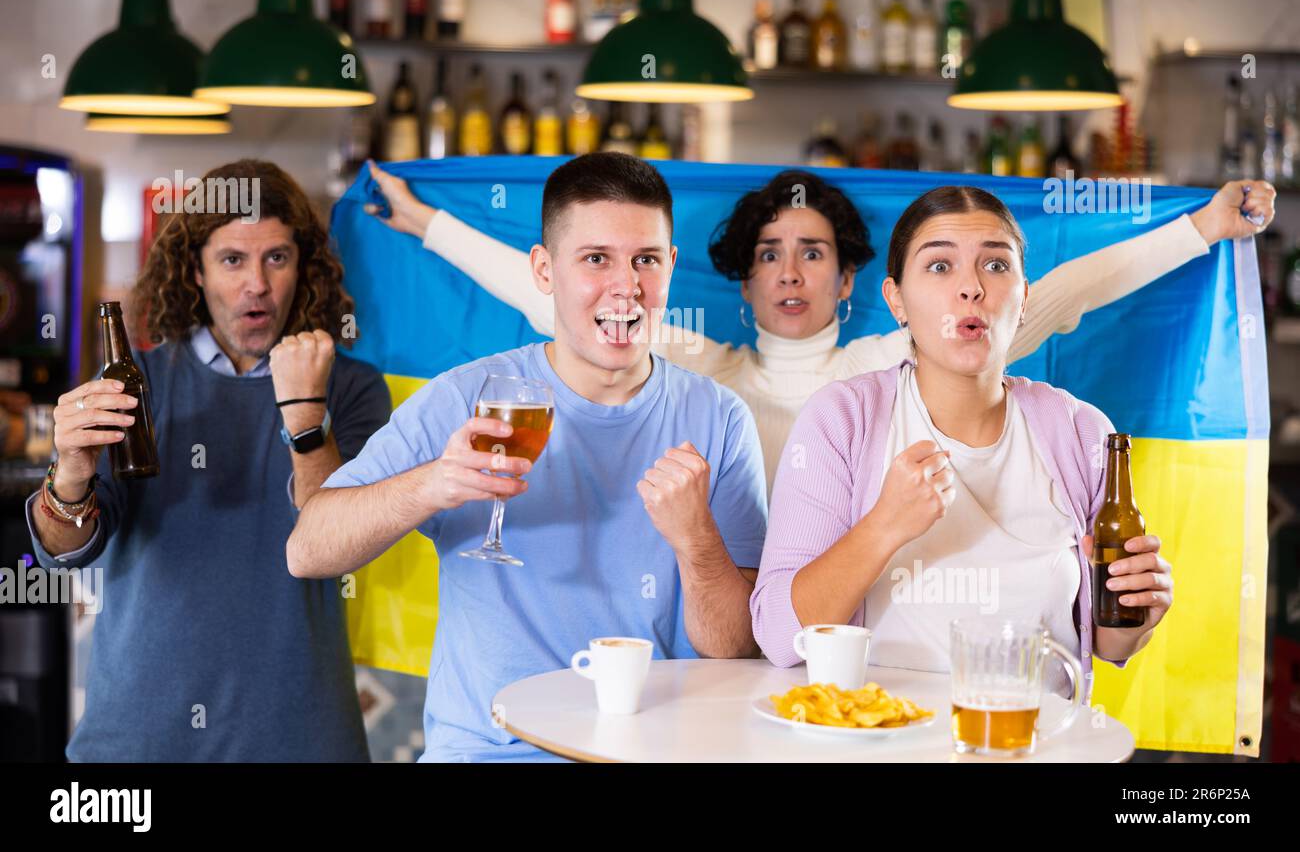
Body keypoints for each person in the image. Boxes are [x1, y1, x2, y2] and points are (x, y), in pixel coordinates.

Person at [365, 163, 1275, 493]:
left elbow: (1059, 293)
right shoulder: (693, 364)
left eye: (812, 253)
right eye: (769, 253)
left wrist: (1204, 228)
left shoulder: (896, 359)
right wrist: (423, 224)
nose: (790, 270)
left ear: (853, 283)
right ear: (742, 278)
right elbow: (554, 296)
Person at [288, 152, 769, 762]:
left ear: (671, 266)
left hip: (652, 751)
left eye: (645, 259)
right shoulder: (466, 398)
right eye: (596, 259)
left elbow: (733, 648)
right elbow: (308, 552)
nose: (626, 287)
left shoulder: (720, 418)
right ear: (544, 270)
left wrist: (697, 538)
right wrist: (437, 483)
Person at [26, 160, 392, 761]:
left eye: (277, 257)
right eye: (232, 261)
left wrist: (304, 413)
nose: (258, 284)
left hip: (298, 739)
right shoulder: (137, 381)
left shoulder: (353, 389)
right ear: (194, 272)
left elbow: (339, 542)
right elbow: (66, 552)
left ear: (303, 266)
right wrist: (69, 472)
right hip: (140, 742)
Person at [750, 186, 1173, 703]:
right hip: (881, 745)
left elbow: (1108, 644)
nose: (971, 288)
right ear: (896, 300)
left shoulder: (1080, 431)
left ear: (1024, 300)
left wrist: (1138, 614)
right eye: (939, 267)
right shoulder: (841, 419)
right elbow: (777, 636)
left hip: (1037, 748)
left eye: (995, 266)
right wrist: (883, 527)